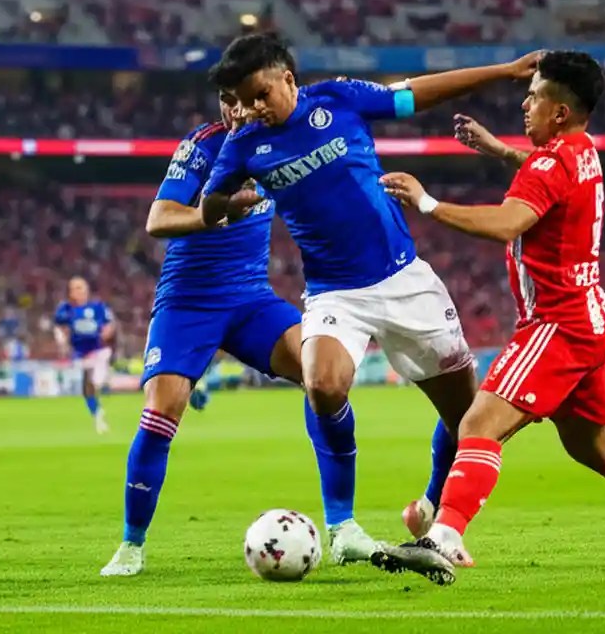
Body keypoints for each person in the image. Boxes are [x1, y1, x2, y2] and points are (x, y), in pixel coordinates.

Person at [371, 51, 605, 586]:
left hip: (556, 325)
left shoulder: (550, 161)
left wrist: (427, 202)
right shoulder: (582, 152)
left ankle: (443, 539)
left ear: (559, 111)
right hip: (591, 320)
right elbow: (547, 175)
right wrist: (498, 150)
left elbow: (508, 224)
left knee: (478, 424)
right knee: (595, 445)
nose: (523, 102)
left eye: (533, 95)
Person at [200, 33, 542, 550]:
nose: (253, 109)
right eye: (243, 101)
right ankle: (342, 526)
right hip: (335, 293)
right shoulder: (243, 143)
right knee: (323, 384)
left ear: (287, 78)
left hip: (404, 279)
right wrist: (240, 199)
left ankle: (432, 510)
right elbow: (209, 207)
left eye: (260, 94)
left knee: (468, 420)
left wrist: (503, 69)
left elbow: (414, 94)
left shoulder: (337, 99)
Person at [102, 94, 449, 576]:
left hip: (251, 299)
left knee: (321, 377)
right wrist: (218, 213)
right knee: (162, 409)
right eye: (227, 100)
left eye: (243, 99)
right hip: (189, 301)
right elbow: (158, 219)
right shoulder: (205, 145)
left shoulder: (283, 142)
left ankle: (342, 527)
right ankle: (131, 547)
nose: (236, 110)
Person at [53, 277, 114, 434]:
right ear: (71, 292)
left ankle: (102, 389)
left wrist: (106, 332)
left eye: (82, 287)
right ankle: (97, 413)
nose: (80, 291)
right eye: (76, 288)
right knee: (87, 388)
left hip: (98, 352)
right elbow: (59, 327)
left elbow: (109, 325)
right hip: (81, 354)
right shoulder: (65, 309)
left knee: (94, 382)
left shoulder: (97, 307)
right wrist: (62, 340)